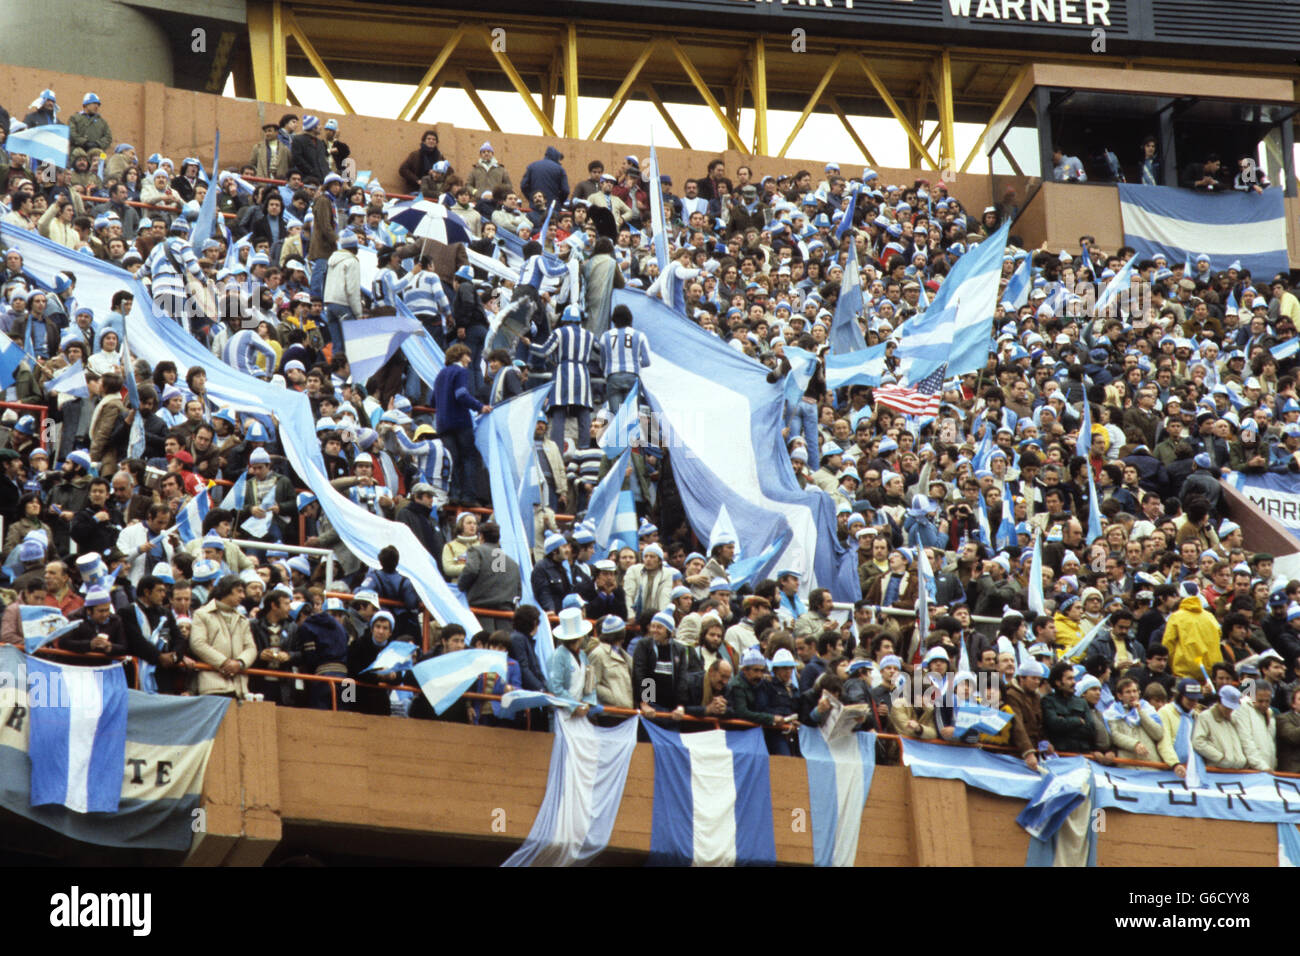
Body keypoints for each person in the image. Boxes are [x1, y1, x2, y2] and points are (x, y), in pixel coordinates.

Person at [433, 343, 491, 505]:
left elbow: (432, 400)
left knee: (453, 459)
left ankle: (454, 495)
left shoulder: (441, 374)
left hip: (443, 424)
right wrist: (480, 406)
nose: (470, 359)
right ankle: (468, 496)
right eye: (467, 355)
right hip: (460, 421)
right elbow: (461, 394)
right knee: (469, 458)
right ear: (460, 356)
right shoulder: (460, 372)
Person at [188, 575, 257, 698]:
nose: (243, 596)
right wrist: (224, 663)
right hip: (212, 684)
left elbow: (251, 648)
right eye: (239, 591)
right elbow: (198, 644)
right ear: (226, 590)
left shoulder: (243, 620)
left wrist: (239, 663)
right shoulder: (202, 614)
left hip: (239, 687)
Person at [1192, 685, 1248, 769]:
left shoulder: (1233, 719)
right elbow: (1198, 742)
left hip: (1237, 770)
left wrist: (1242, 759)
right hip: (1217, 770)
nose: (1229, 710)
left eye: (1231, 708)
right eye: (1227, 707)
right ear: (1219, 701)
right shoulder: (1206, 717)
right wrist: (1219, 757)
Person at [587, 615, 634, 710]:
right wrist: (614, 698)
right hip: (609, 712)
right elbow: (589, 685)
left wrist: (648, 701)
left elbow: (647, 678)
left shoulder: (626, 656)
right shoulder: (597, 654)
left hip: (629, 712)